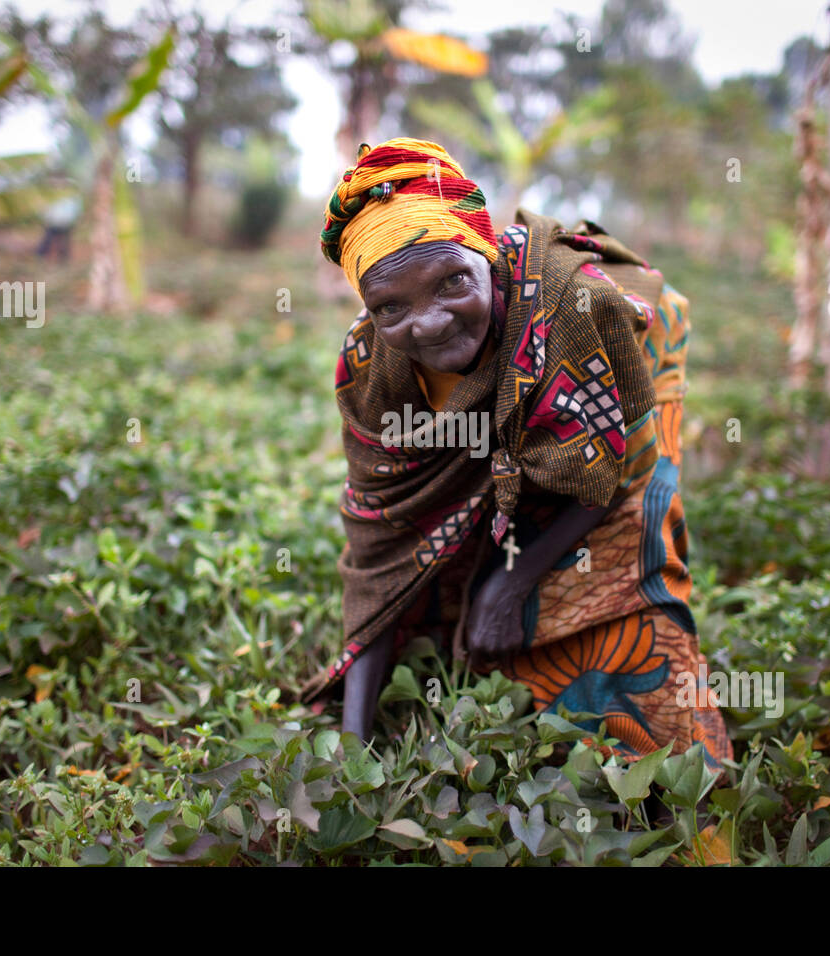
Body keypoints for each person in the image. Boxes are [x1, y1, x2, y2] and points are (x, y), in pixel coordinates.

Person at [303, 137, 730, 778]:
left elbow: (620, 476)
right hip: (538, 389)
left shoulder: (575, 315)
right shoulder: (370, 371)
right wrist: (352, 746)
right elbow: (378, 543)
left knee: (633, 547)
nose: (429, 322)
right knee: (457, 581)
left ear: (484, 256)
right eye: (391, 307)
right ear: (368, 309)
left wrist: (512, 581)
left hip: (637, 341)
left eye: (453, 282)